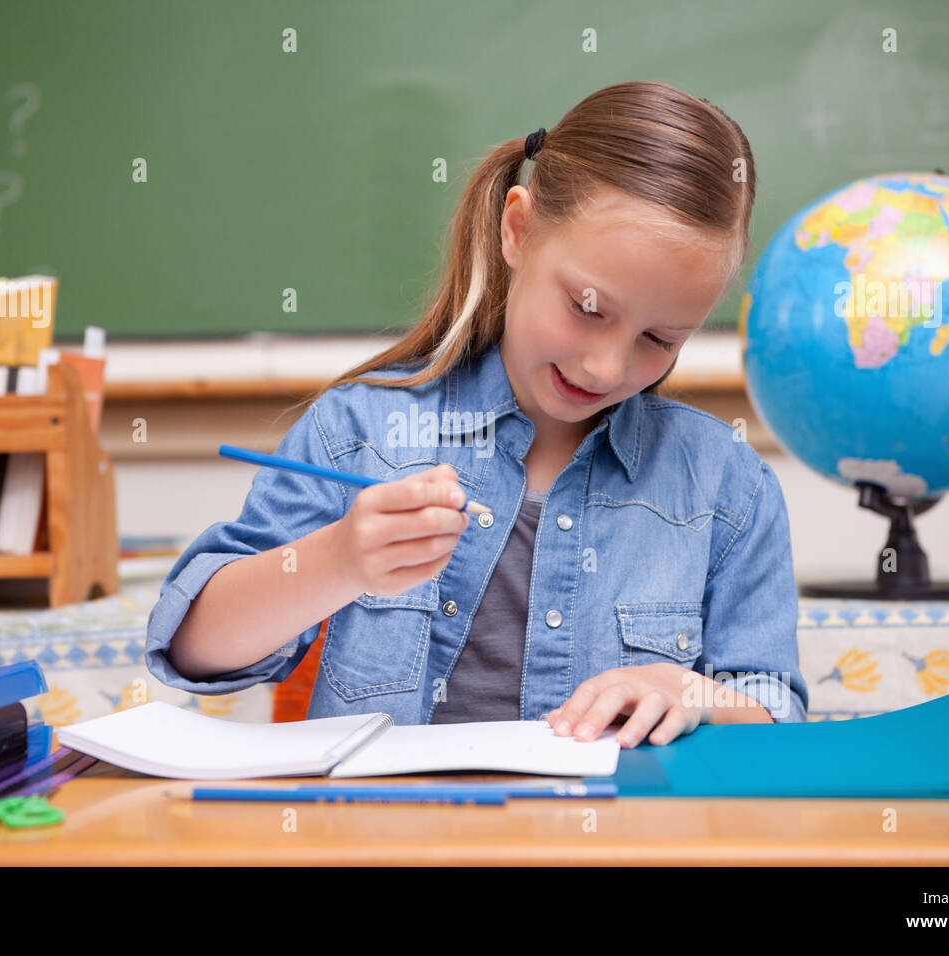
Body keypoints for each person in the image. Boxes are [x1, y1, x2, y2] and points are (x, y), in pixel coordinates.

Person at [146, 79, 809, 747]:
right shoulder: (359, 434)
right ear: (517, 232)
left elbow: (774, 709)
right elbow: (194, 652)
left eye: (659, 340)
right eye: (587, 308)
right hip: (388, 843)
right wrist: (338, 561)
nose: (607, 368)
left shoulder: (729, 488)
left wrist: (687, 689)